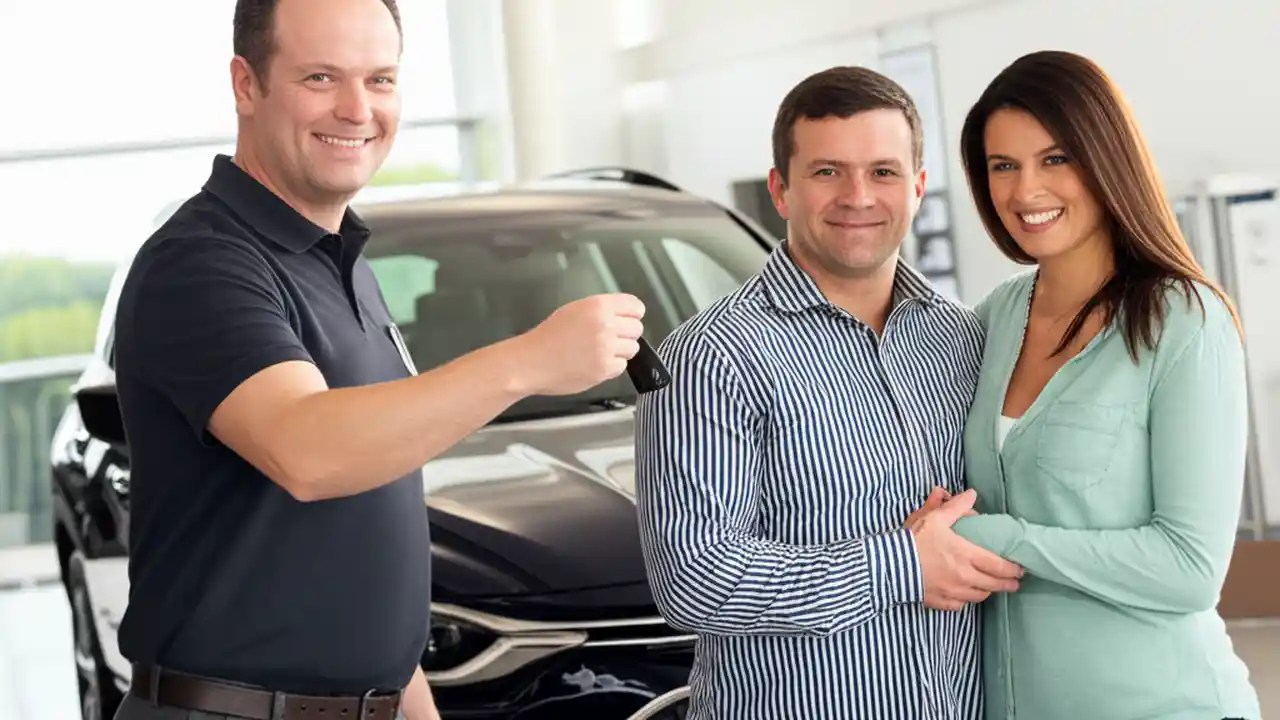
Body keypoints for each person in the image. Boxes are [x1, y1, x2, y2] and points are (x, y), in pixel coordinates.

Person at [109, 1, 646, 718]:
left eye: (382, 79)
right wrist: (528, 363)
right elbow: (309, 449)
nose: (358, 108)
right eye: (322, 76)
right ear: (246, 84)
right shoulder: (202, 263)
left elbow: (361, 539)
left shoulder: (342, 262)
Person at [633, 65, 1025, 720]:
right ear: (780, 191)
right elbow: (693, 580)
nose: (858, 196)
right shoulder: (713, 356)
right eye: (826, 172)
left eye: (883, 172)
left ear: (919, 188)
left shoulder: (961, 339)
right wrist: (900, 564)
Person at [950, 50, 1261, 720]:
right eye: (1003, 165)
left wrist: (996, 538)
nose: (1024, 190)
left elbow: (1188, 568)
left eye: (1055, 158)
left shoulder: (1185, 322)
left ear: (1106, 159)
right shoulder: (993, 319)